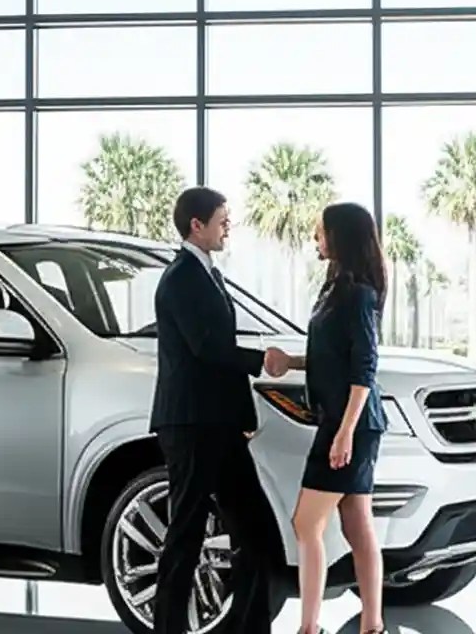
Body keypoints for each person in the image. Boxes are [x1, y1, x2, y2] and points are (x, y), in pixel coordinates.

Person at [149, 186, 290, 634]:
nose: (229, 226)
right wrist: (258, 361)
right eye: (223, 219)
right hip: (191, 424)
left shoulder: (207, 273)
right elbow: (208, 348)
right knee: (186, 534)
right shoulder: (182, 278)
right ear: (197, 224)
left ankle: (251, 626)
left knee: (255, 528)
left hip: (219, 424)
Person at [287, 202, 389, 634]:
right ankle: (372, 626)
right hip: (346, 421)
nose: (315, 238)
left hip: (351, 424)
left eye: (320, 231)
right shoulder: (336, 289)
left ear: (340, 236)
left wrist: (344, 432)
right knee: (356, 524)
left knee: (306, 522)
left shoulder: (358, 294)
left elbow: (364, 367)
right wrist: (290, 361)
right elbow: (332, 357)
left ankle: (310, 628)